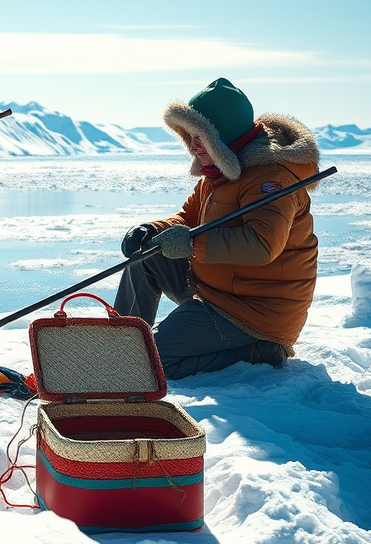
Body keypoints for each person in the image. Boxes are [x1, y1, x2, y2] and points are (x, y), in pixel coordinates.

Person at [114, 78, 320, 379]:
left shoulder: (271, 179)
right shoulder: (219, 172)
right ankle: (119, 342)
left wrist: (191, 244)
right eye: (189, 136)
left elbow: (262, 245)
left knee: (149, 362)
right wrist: (152, 230)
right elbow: (188, 218)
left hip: (253, 312)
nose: (193, 146)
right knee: (146, 256)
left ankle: (260, 350)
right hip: (215, 288)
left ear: (223, 136)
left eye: (201, 137)